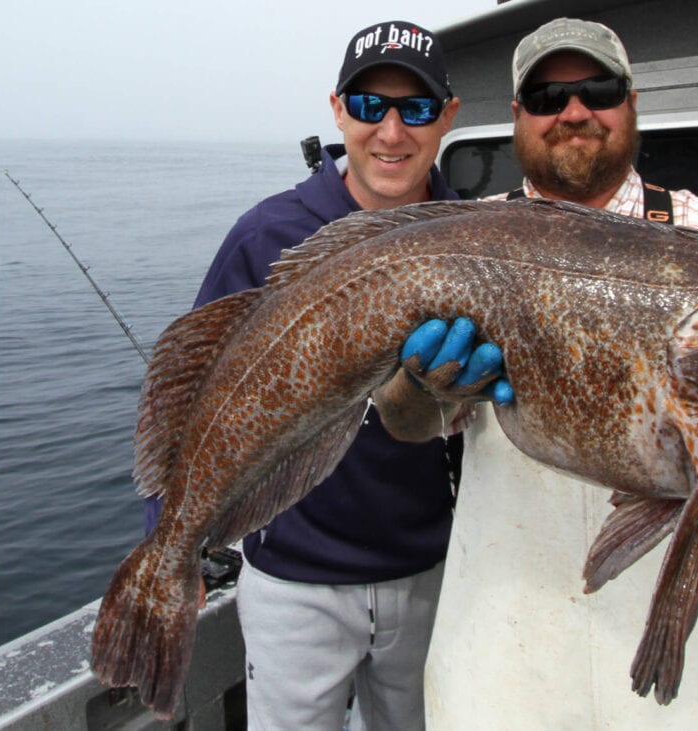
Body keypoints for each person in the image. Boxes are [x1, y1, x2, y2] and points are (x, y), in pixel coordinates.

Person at [421, 17, 698, 730]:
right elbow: (404, 423)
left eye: (596, 89)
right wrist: (414, 387)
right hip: (506, 630)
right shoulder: (461, 244)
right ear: (517, 117)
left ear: (631, 100)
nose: (573, 111)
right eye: (546, 97)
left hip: (696, 627)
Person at [144, 20, 494, 731]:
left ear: (448, 118)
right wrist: (167, 543)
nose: (391, 132)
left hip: (434, 570)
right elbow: (191, 394)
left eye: (416, 109)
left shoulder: (479, 241)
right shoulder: (266, 236)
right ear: (337, 109)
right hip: (294, 580)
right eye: (370, 107)